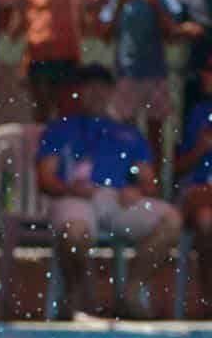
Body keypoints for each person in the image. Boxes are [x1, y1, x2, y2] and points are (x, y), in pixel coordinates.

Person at [37, 63, 180, 319]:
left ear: (112, 92)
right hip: (75, 198)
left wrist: (137, 190)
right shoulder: (60, 129)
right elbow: (45, 179)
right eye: (89, 87)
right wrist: (70, 188)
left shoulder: (129, 133)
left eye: (102, 87)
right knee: (74, 235)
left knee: (171, 220)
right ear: (78, 92)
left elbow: (150, 182)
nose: (96, 93)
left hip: (119, 200)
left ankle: (130, 291)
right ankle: (76, 295)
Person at [102, 0, 181, 167]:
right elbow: (105, 36)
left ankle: (155, 181)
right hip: (126, 74)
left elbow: (172, 33)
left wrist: (156, 6)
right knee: (124, 133)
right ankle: (125, 178)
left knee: (155, 135)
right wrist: (119, 6)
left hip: (156, 74)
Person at [10, 0, 83, 123]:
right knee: (42, 113)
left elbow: (85, 24)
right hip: (40, 59)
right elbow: (14, 32)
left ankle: (65, 139)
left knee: (68, 114)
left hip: (67, 59)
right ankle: (43, 138)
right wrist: (20, 5)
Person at [174, 59, 212, 314]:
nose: (206, 77)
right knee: (207, 220)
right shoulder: (197, 113)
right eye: (206, 71)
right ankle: (209, 298)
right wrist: (201, 149)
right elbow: (177, 168)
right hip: (197, 193)